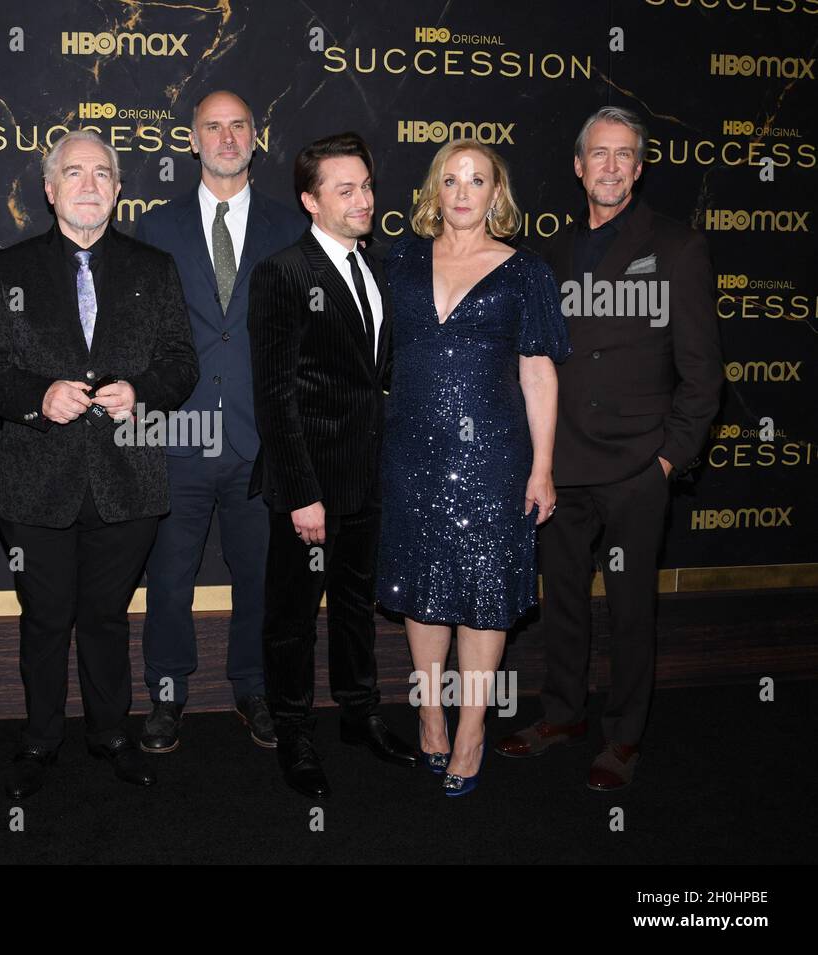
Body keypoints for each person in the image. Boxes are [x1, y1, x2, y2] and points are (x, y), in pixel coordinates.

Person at [0, 129, 198, 799]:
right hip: (37, 482)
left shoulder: (154, 269)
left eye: (102, 173)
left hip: (128, 481)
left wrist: (143, 390)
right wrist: (37, 396)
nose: (89, 183)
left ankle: (111, 734)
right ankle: (40, 740)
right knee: (44, 618)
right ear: (50, 189)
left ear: (119, 189)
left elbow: (182, 361)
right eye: (74, 172)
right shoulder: (9, 270)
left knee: (105, 616)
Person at [494, 107, 722, 790]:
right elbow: (533, 360)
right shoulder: (551, 253)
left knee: (630, 609)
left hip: (634, 469)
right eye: (600, 154)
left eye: (625, 155)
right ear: (578, 165)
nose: (612, 166)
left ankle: (623, 737)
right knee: (561, 601)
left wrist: (664, 462)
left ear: (640, 166)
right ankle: (563, 713)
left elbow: (703, 375)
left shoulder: (679, 247)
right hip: (560, 466)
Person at [377, 140, 570, 797]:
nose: (463, 191)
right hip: (410, 455)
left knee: (484, 595)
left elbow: (539, 372)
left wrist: (543, 467)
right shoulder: (401, 260)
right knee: (423, 586)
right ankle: (431, 713)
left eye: (477, 180)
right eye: (451, 180)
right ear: (434, 191)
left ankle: (471, 728)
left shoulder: (525, 273)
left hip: (493, 459)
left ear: (497, 193)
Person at [133, 90, 307, 754]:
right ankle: (167, 696)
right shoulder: (156, 228)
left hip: (262, 442)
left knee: (260, 575)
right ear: (193, 139)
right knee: (169, 578)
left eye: (239, 125)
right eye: (213, 126)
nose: (226, 136)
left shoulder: (292, 227)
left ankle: (253, 689)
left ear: (256, 138)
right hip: (176, 439)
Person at [249, 131, 420, 800]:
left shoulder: (376, 268)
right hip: (311, 487)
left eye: (367, 186)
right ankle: (292, 730)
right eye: (345, 189)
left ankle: (359, 712)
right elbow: (275, 393)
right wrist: (300, 493)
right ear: (310, 201)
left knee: (355, 606)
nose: (364, 199)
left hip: (368, 478)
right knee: (292, 616)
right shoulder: (283, 272)